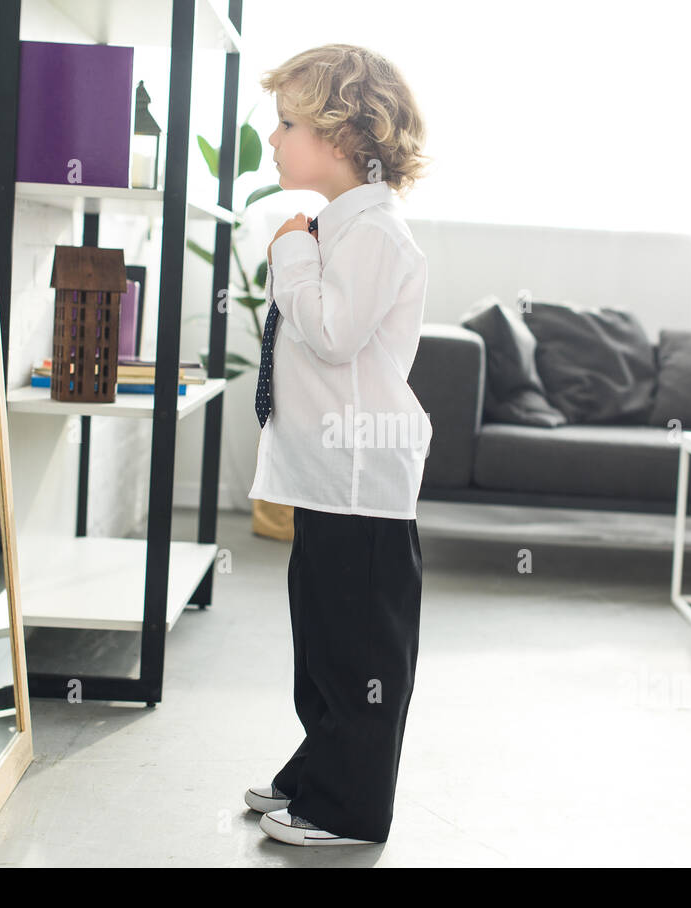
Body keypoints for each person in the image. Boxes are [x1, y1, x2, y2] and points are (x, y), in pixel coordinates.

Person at [244, 44, 434, 846]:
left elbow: (329, 331)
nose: (273, 138)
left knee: (361, 649)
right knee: (323, 639)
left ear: (343, 133)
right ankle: (317, 772)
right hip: (329, 476)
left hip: (362, 478)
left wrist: (290, 247)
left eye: (288, 123)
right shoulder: (341, 224)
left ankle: (351, 806)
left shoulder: (376, 234)